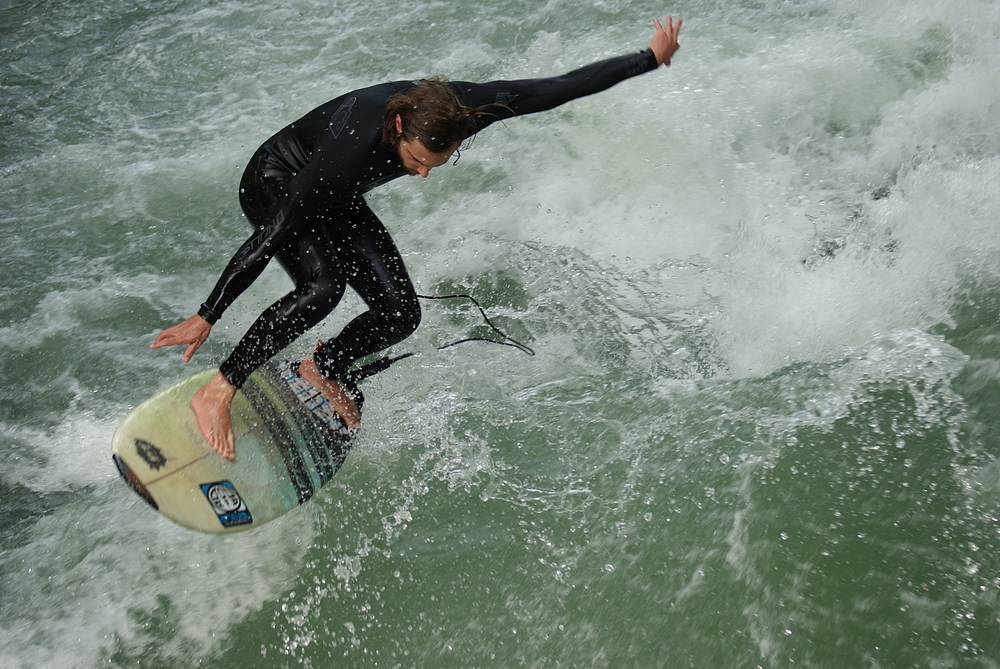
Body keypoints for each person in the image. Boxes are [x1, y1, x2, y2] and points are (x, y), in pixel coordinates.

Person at [151, 15, 682, 460]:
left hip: (339, 196)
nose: (423, 174)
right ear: (399, 124)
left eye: (436, 163)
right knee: (323, 287)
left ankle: (324, 368)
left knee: (401, 313)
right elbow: (271, 236)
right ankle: (218, 390)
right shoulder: (347, 153)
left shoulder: (461, 110)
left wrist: (648, 59)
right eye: (416, 161)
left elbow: (551, 89)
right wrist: (208, 313)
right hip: (278, 182)